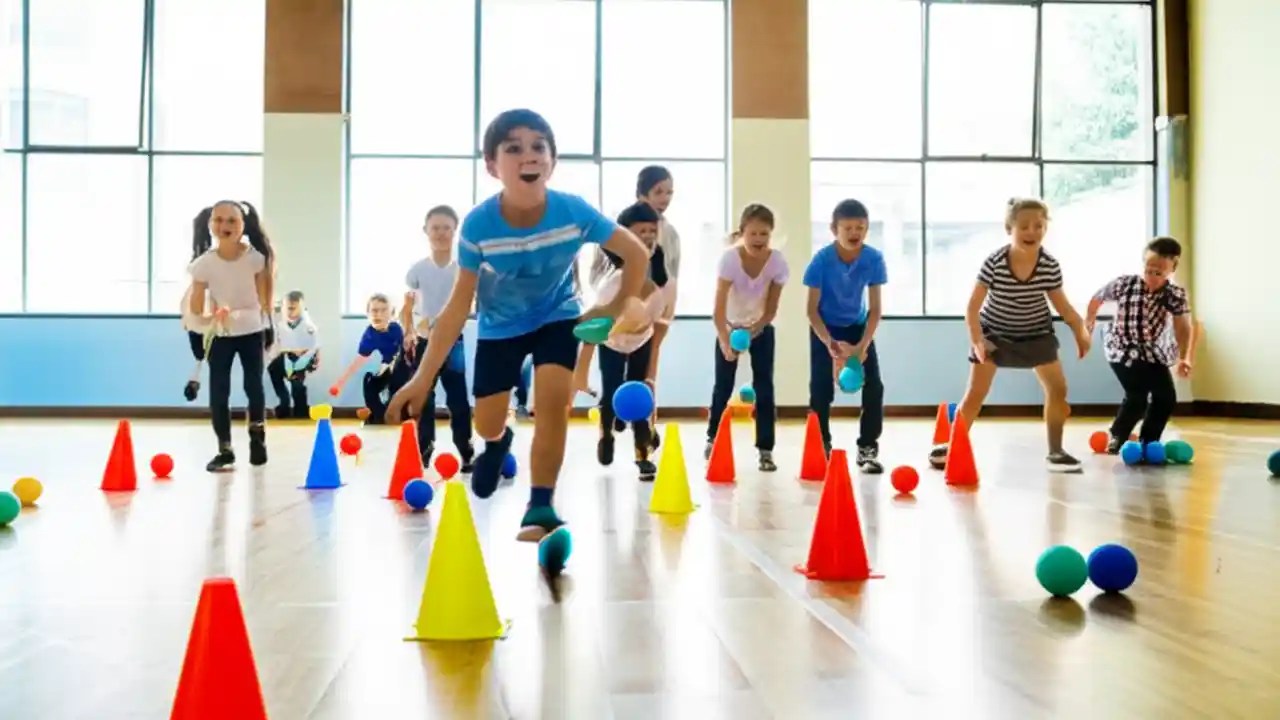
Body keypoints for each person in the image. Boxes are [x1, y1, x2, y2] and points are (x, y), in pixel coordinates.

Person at [387, 108, 649, 543]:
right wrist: (421, 379)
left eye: (538, 147)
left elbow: (636, 253)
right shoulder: (478, 227)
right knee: (486, 422)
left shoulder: (573, 211)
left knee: (552, 404)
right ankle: (496, 441)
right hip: (499, 327)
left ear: (552, 160)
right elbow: (456, 309)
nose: (528, 156)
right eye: (513, 148)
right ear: (493, 166)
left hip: (558, 316)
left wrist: (617, 306)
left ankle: (541, 503)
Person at [936, 197, 1091, 473]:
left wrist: (1080, 332)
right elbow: (972, 308)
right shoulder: (994, 262)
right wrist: (978, 340)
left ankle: (1056, 452)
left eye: (1038, 226)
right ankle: (952, 445)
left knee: (1058, 389)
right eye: (1024, 226)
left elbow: (1063, 306)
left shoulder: (1049, 265)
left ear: (1046, 228)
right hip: (995, 335)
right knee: (975, 394)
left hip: (1036, 335)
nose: (1032, 231)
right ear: (1010, 228)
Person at [573, 201, 674, 482]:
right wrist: (580, 373)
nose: (648, 237)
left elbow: (658, 323)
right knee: (612, 390)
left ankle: (643, 454)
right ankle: (606, 433)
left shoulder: (661, 280)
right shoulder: (613, 284)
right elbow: (594, 332)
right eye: (640, 231)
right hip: (613, 343)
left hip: (642, 340)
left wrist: (652, 368)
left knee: (640, 394)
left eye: (652, 231)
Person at [187, 200, 275, 472]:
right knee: (219, 390)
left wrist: (266, 324)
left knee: (253, 384)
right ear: (211, 224)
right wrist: (207, 319)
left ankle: (257, 435)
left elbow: (265, 301)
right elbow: (195, 306)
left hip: (250, 330)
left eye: (232, 221)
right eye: (219, 220)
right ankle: (224, 449)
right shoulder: (203, 265)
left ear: (243, 226)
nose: (224, 226)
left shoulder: (255, 260)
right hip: (221, 333)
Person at [1085, 236, 1194, 454]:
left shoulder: (1174, 295)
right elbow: (1097, 297)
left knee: (1166, 398)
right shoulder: (1125, 284)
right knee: (1137, 396)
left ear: (1172, 269)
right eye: (1148, 269)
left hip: (1152, 353)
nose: (1151, 276)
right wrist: (1089, 320)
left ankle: (1148, 441)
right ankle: (1117, 435)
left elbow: (1183, 327)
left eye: (1159, 273)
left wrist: (1184, 357)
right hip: (1120, 350)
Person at [803, 199, 887, 474]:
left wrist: (862, 345)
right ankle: (821, 444)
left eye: (860, 227)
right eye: (848, 227)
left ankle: (867, 448)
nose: (854, 233)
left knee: (874, 386)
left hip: (857, 327)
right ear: (834, 229)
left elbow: (875, 310)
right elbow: (811, 311)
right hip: (825, 327)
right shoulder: (821, 261)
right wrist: (829, 343)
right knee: (820, 390)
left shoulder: (873, 259)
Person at [707, 203, 789, 471]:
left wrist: (755, 329)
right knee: (723, 386)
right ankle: (713, 438)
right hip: (729, 326)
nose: (758, 240)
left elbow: (771, 309)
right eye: (753, 234)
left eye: (764, 234)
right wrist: (724, 338)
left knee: (764, 387)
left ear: (771, 235)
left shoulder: (777, 262)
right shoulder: (730, 259)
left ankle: (766, 449)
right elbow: (717, 309)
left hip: (760, 328)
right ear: (743, 233)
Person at [401, 204, 475, 471]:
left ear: (455, 231)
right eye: (436, 228)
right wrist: (408, 331)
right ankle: (423, 452)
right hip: (423, 342)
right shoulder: (417, 270)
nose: (441, 233)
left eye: (447, 228)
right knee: (423, 398)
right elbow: (407, 306)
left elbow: (470, 302)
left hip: (453, 342)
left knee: (458, 399)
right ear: (426, 231)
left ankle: (466, 452)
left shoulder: (463, 268)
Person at [330, 293, 409, 425]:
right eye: (374, 310)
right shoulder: (370, 334)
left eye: (384, 311)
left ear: (392, 314)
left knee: (398, 377)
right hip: (387, 368)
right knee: (369, 381)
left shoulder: (397, 329)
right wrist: (340, 383)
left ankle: (396, 413)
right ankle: (378, 415)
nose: (378, 314)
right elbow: (359, 360)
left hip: (404, 369)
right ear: (368, 314)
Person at [267, 290, 321, 420]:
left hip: (301, 357)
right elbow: (275, 343)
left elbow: (314, 344)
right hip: (283, 356)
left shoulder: (308, 325)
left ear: (302, 309)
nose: (290, 312)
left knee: (297, 383)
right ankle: (284, 403)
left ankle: (301, 410)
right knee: (273, 369)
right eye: (287, 308)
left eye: (293, 308)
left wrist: (312, 357)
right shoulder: (279, 323)